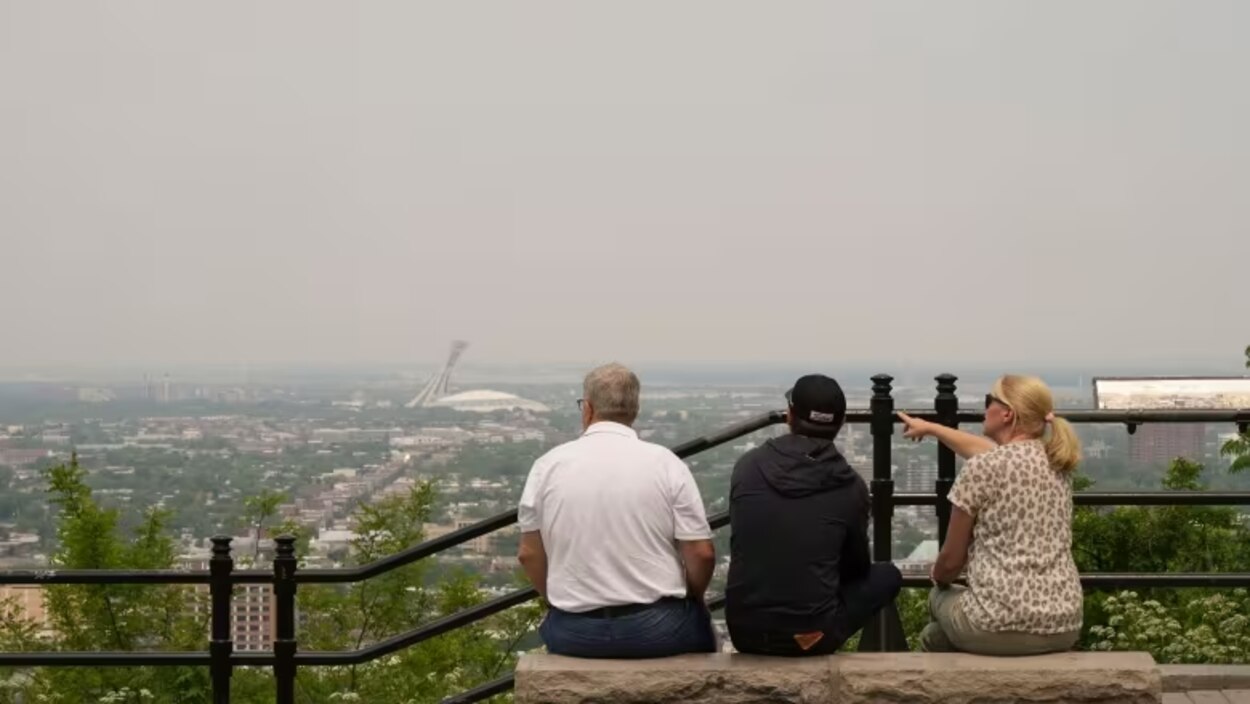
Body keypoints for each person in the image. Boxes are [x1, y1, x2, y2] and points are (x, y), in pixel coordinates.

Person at [517, 363, 717, 658]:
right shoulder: (666, 463)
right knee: (705, 631)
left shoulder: (547, 466)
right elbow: (702, 553)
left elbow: (528, 554)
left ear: (587, 409)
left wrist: (559, 601)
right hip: (658, 626)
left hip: (573, 631)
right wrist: (692, 598)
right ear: (634, 410)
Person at [898, 374, 1084, 655]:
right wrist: (932, 428)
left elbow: (951, 561)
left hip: (997, 623)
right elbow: (998, 453)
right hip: (1064, 623)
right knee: (937, 634)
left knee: (938, 599)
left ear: (1007, 413)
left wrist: (939, 577)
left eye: (989, 401)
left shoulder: (984, 468)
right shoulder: (1059, 463)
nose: (984, 409)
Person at [726, 374, 902, 656]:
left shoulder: (747, 467)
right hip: (809, 637)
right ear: (841, 423)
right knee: (888, 576)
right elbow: (856, 569)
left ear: (789, 415)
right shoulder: (850, 486)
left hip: (743, 630)